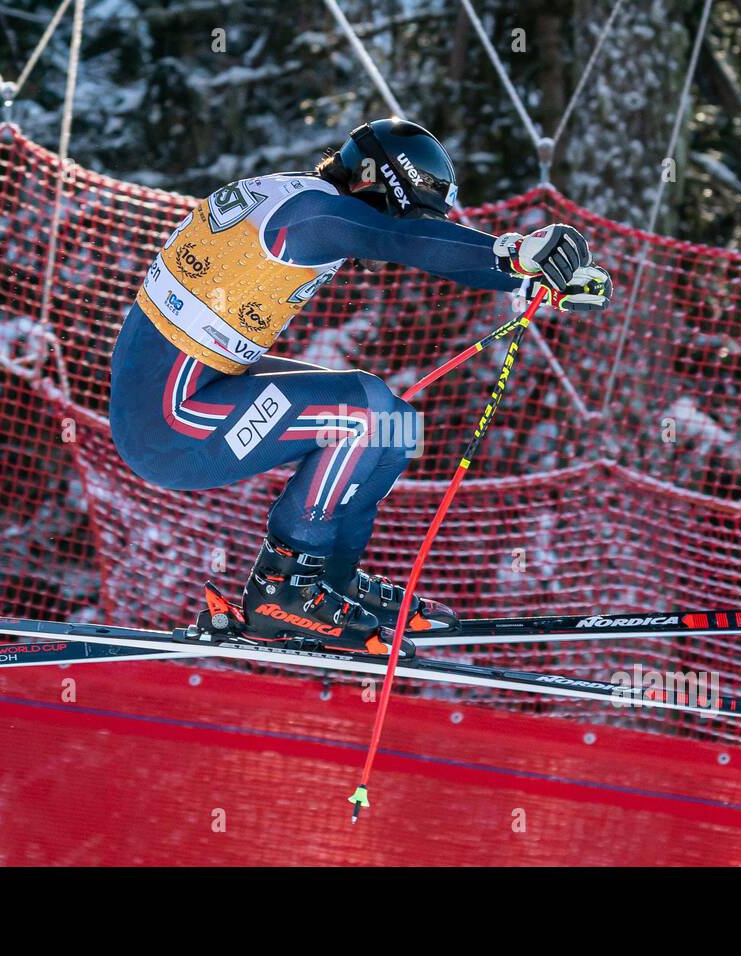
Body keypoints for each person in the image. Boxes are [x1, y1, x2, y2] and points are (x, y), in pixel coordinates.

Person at [109, 118, 611, 657]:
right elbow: (403, 238)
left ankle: (331, 579)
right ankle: (281, 591)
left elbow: (399, 233)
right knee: (362, 417)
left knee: (393, 424)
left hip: (194, 392)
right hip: (170, 424)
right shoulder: (311, 212)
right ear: (377, 179)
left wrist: (535, 281)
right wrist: (514, 258)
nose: (404, 219)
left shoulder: (300, 200)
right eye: (406, 204)